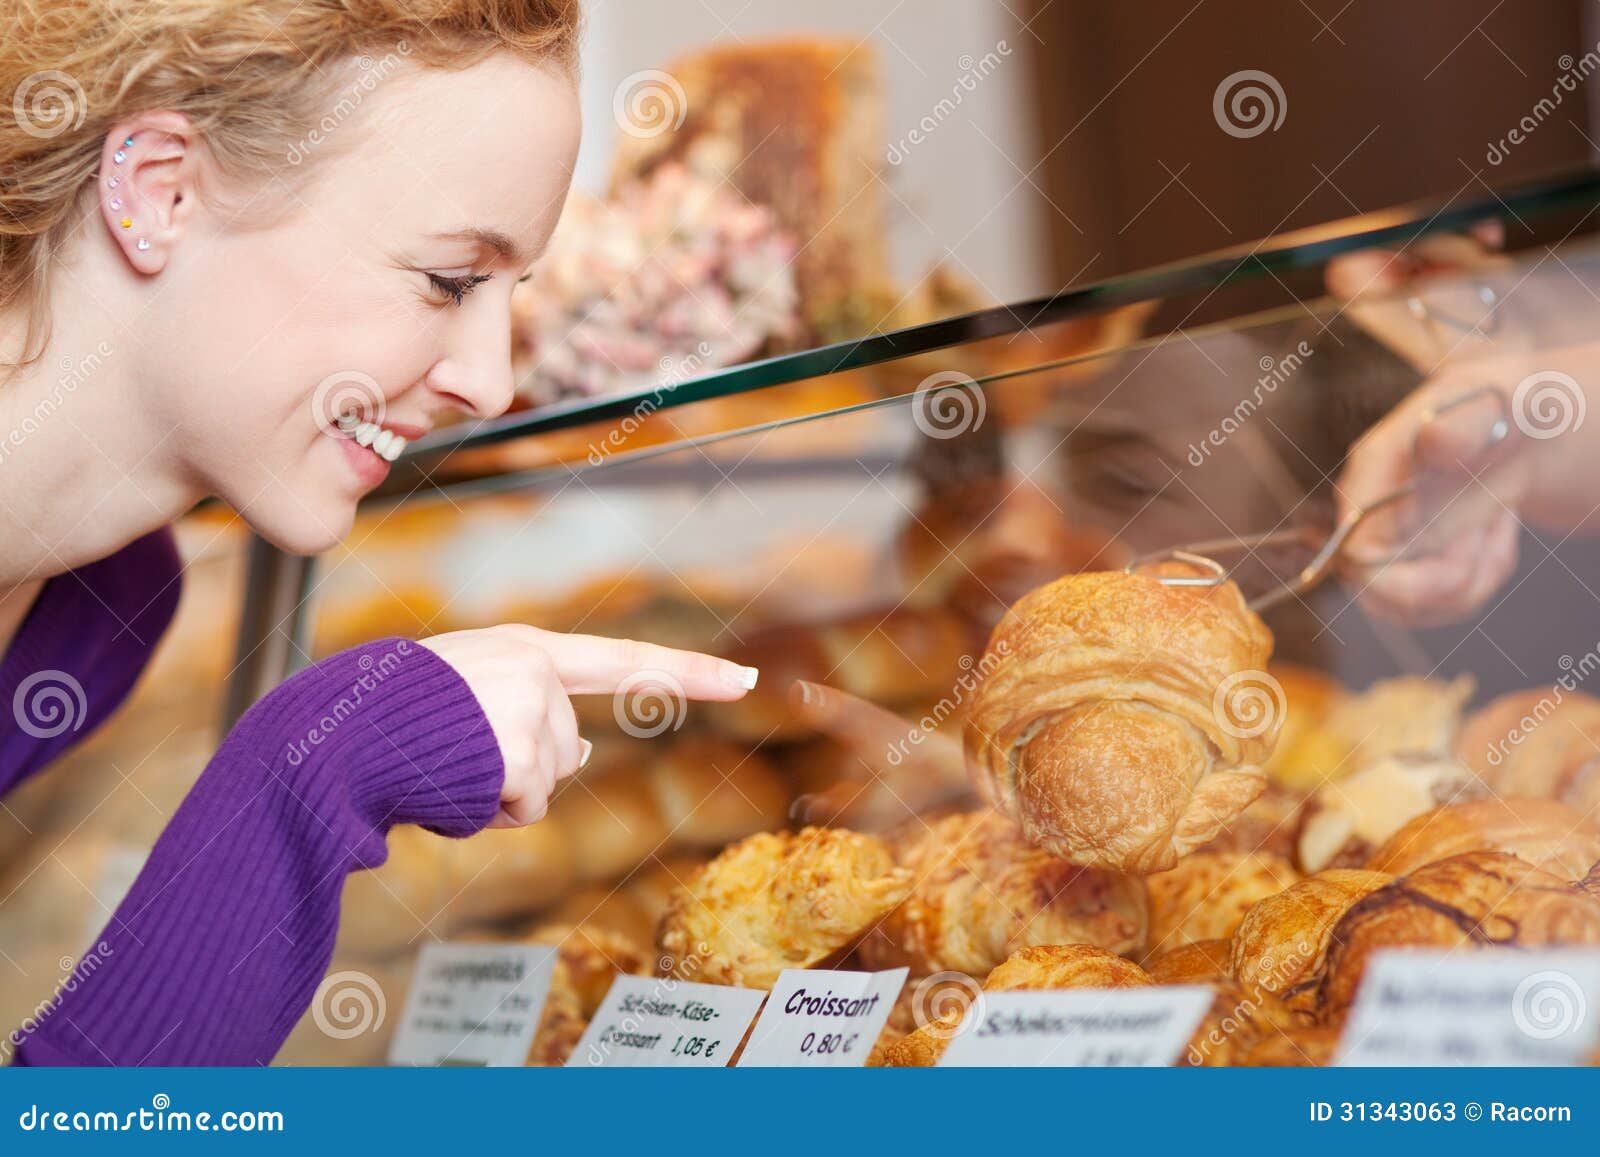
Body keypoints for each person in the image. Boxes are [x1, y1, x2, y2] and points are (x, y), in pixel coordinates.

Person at [0, 0, 758, 1066]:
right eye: (449, 279)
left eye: (512, 291)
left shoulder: (105, 607)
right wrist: (312, 768)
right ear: (161, 189)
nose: (490, 380)